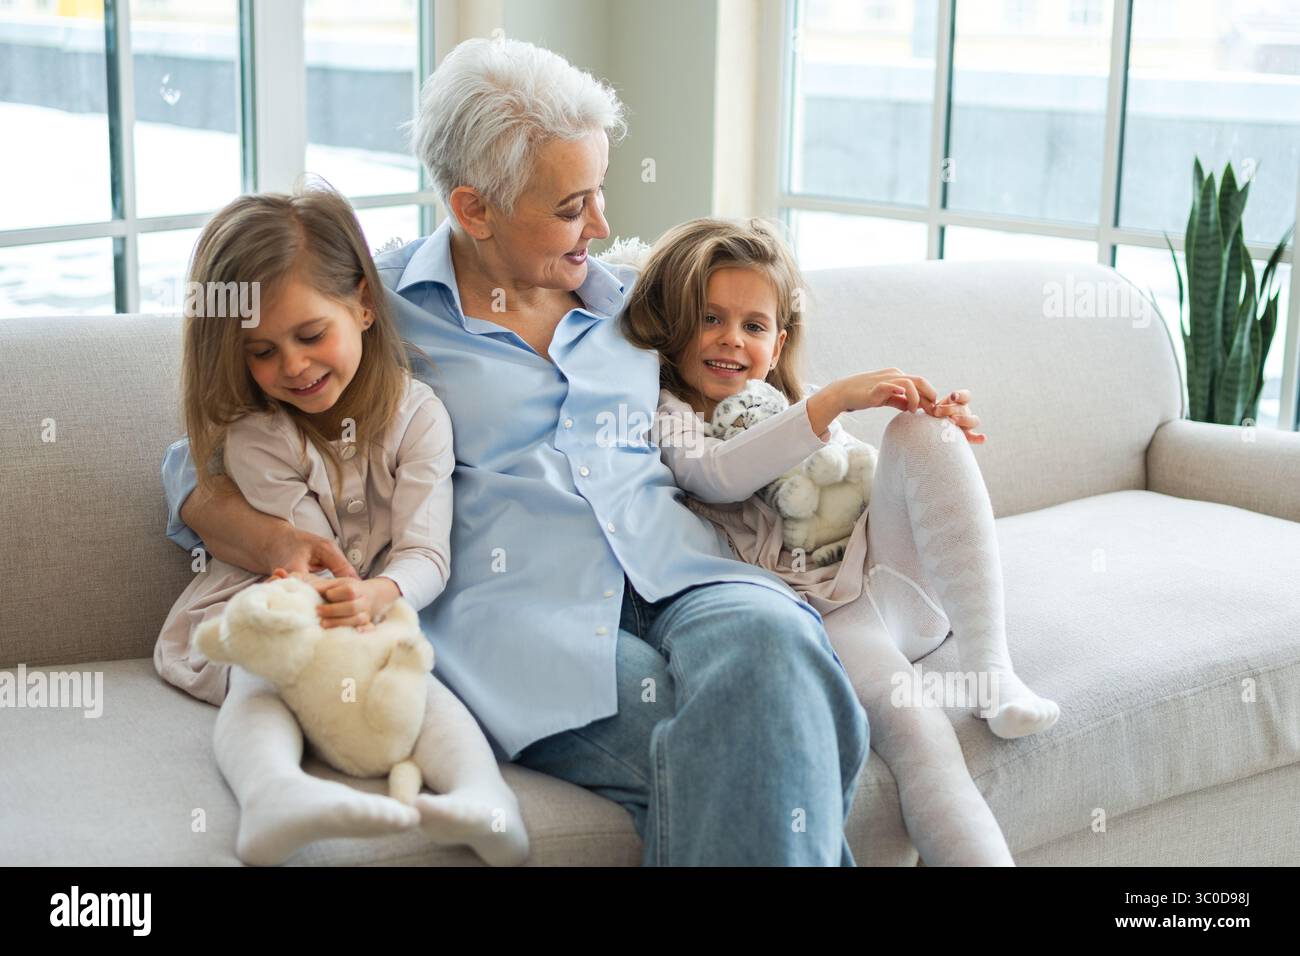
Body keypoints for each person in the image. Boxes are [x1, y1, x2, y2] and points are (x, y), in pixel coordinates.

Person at [163, 37, 867, 865]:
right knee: (757, 749)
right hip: (528, 623)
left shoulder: (630, 299)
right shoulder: (379, 311)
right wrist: (283, 544)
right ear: (474, 209)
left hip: (682, 571)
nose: (600, 226)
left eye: (600, 193)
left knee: (777, 653)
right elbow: (200, 462)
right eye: (572, 206)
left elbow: (750, 357)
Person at [625, 216, 1062, 865]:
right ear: (672, 326)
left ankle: (992, 670)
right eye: (709, 318)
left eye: (753, 325)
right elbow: (716, 476)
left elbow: (869, 484)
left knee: (921, 434)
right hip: (830, 621)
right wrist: (829, 403)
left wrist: (930, 420)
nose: (730, 341)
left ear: (778, 343)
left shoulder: (786, 402)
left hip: (898, 585)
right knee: (925, 747)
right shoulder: (672, 415)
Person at [155, 183, 528, 866]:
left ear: (361, 303)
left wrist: (383, 597)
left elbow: (425, 553)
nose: (291, 366)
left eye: (308, 335)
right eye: (260, 351)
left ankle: (485, 798)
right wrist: (347, 605)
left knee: (424, 682)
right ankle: (273, 795)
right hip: (280, 602)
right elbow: (311, 564)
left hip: (375, 602)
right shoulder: (257, 436)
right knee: (260, 678)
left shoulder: (420, 417)